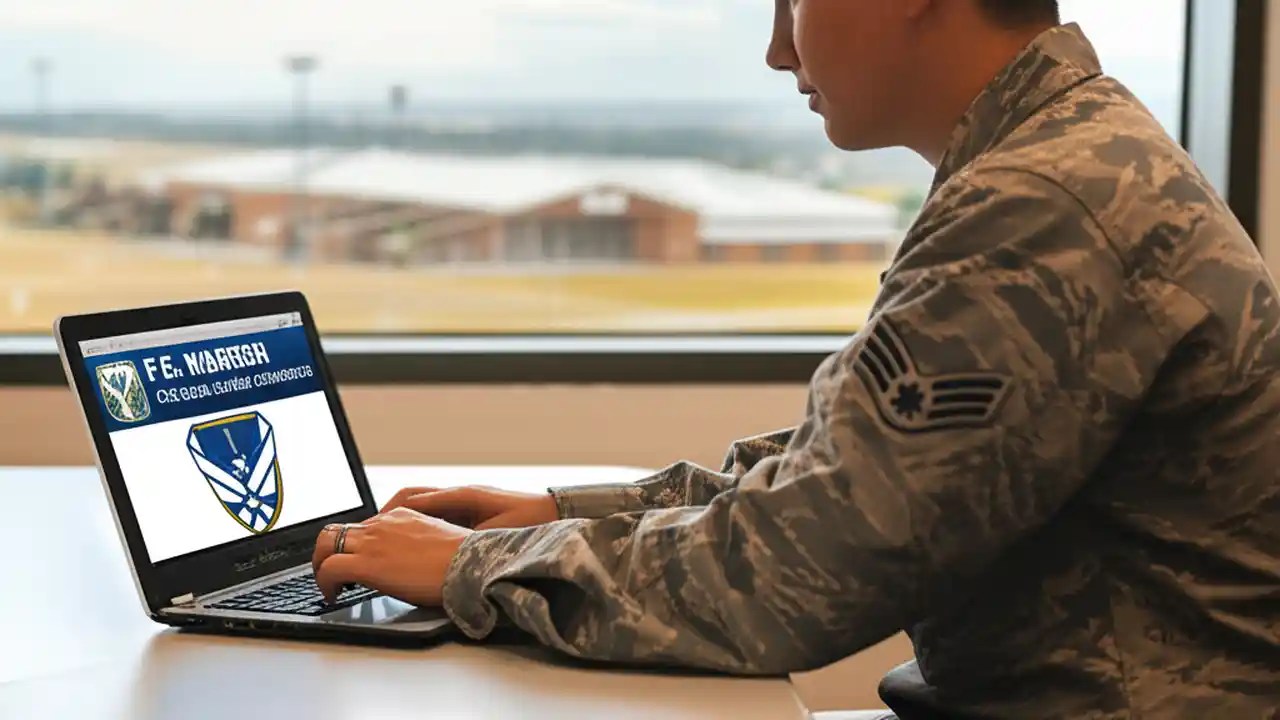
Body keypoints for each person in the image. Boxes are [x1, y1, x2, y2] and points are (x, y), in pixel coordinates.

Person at [311, 0, 1280, 717]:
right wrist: (558, 516)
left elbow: (785, 575)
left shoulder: (1042, 208)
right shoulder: (1061, 160)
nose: (778, 50)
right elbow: (848, 469)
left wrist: (475, 568)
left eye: (790, 2)